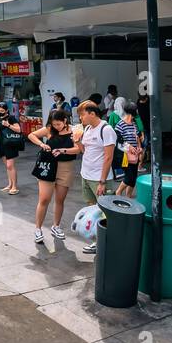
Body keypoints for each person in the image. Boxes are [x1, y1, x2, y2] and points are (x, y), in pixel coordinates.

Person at [28, 109, 79, 245]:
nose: (56, 127)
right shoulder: (49, 129)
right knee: (44, 199)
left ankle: (56, 226)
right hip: (48, 165)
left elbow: (78, 149)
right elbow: (31, 135)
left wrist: (63, 150)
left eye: (58, 124)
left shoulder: (74, 131)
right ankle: (38, 229)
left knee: (60, 199)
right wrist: (41, 144)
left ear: (64, 120)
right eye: (53, 124)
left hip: (66, 168)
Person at [77, 101, 116, 255]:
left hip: (99, 178)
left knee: (105, 211)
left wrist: (102, 181)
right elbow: (84, 151)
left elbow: (108, 157)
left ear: (92, 114)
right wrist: (77, 140)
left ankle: (108, 242)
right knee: (92, 210)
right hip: (85, 175)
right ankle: (97, 240)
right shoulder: (87, 128)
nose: (81, 118)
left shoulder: (106, 130)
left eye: (82, 114)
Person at [0, 103, 24, 195]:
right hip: (2, 144)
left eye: (1, 111)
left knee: (10, 166)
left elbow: (19, 129)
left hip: (11, 144)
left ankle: (14, 187)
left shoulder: (11, 118)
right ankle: (10, 184)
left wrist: (8, 125)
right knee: (7, 166)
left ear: (6, 111)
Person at [114, 101, 144, 199]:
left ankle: (128, 196)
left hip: (134, 155)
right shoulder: (120, 125)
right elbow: (118, 142)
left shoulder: (134, 123)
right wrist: (129, 147)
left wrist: (139, 147)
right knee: (129, 177)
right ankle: (118, 192)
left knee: (133, 178)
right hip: (125, 156)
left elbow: (137, 137)